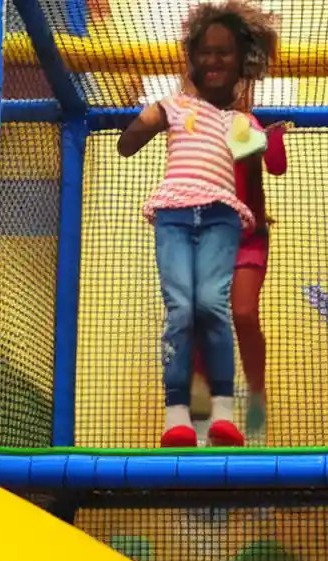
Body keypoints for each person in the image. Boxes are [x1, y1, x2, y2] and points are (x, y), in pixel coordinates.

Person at [116, 0, 278, 448]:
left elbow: (262, 174)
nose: (212, 62)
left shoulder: (241, 122)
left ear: (240, 68)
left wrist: (268, 142)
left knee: (221, 308)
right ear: (192, 62)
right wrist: (144, 119)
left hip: (233, 225)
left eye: (223, 55)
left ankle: (237, 405)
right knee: (186, 312)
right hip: (181, 216)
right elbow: (130, 140)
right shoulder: (178, 108)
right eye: (204, 54)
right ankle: (186, 418)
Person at [191, 82, 289, 438]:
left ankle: (256, 395)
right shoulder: (195, 127)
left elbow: (276, 166)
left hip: (248, 237)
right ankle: (204, 408)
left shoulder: (245, 124)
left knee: (244, 313)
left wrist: (272, 134)